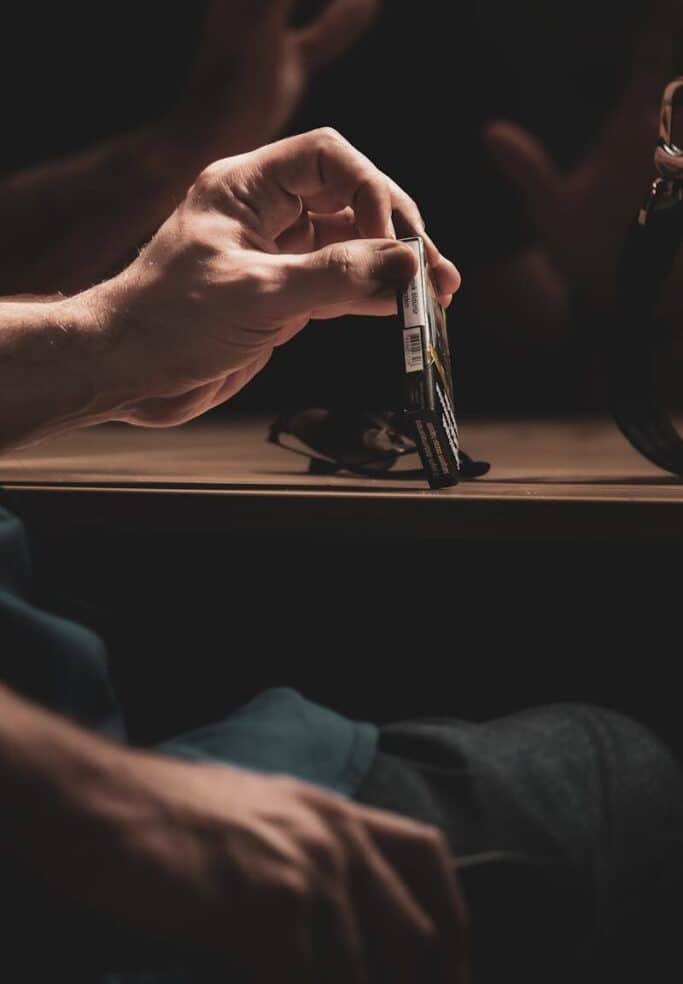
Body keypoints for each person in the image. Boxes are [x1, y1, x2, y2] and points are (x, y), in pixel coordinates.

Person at [1, 126, 682, 984]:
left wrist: (113, 334)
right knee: (632, 756)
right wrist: (85, 810)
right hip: (57, 860)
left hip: (67, 743)